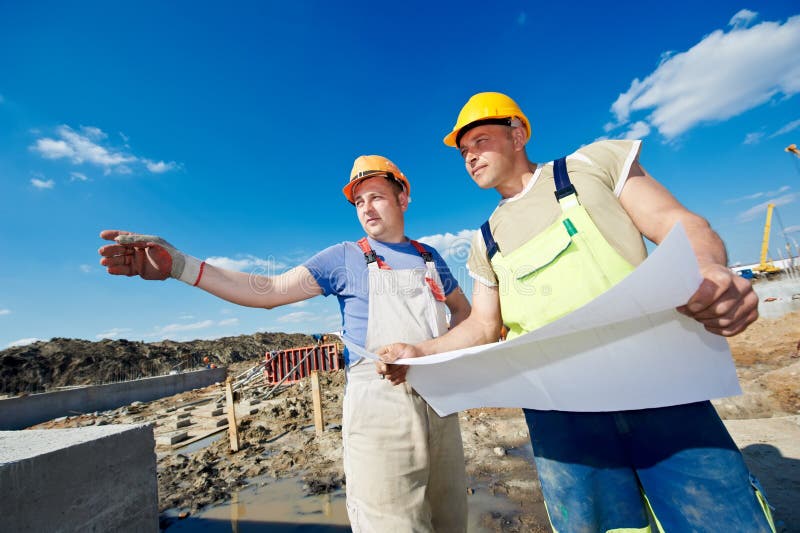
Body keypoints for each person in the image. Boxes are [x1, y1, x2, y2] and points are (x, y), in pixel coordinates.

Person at [379, 93, 776, 532]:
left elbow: (677, 222)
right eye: (464, 151)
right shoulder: (485, 238)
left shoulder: (589, 167)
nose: (470, 157)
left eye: (480, 141)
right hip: (559, 412)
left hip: (659, 387)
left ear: (518, 134)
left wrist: (706, 269)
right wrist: (418, 350)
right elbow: (482, 326)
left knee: (718, 518)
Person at [98, 155, 470, 533]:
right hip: (381, 411)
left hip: (440, 407)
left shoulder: (430, 258)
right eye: (359, 202)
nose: (367, 208)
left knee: (450, 519)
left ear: (403, 197)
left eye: (376, 196)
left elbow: (464, 314)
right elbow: (269, 290)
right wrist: (180, 266)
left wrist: (448, 358)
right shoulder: (344, 258)